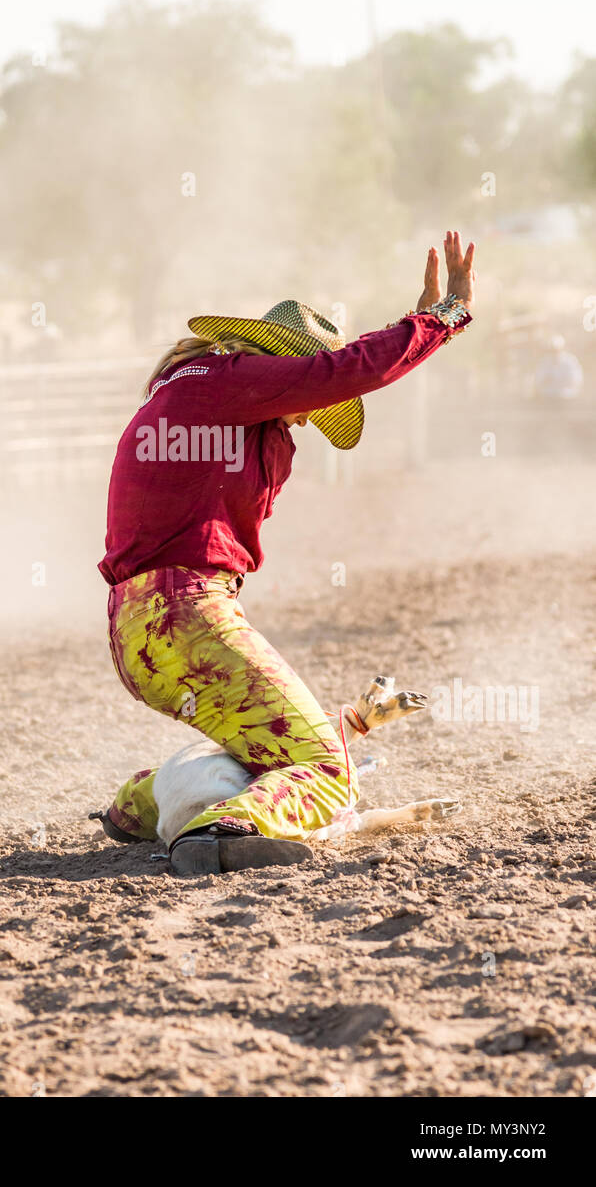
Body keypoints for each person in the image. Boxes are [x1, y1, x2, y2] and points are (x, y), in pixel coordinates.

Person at [94, 231, 477, 876]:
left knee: (276, 743)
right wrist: (441, 319)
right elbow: (345, 370)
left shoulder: (201, 391)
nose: (304, 416)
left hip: (146, 628)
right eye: (304, 397)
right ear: (275, 362)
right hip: (187, 618)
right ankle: (218, 831)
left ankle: (140, 803)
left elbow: (335, 373)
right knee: (324, 769)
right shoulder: (223, 382)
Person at [534, 335, 583, 401]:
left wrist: (554, 380)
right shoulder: (544, 362)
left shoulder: (571, 361)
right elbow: (539, 380)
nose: (555, 352)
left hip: (567, 397)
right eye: (552, 350)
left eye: (557, 350)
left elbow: (575, 380)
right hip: (548, 397)